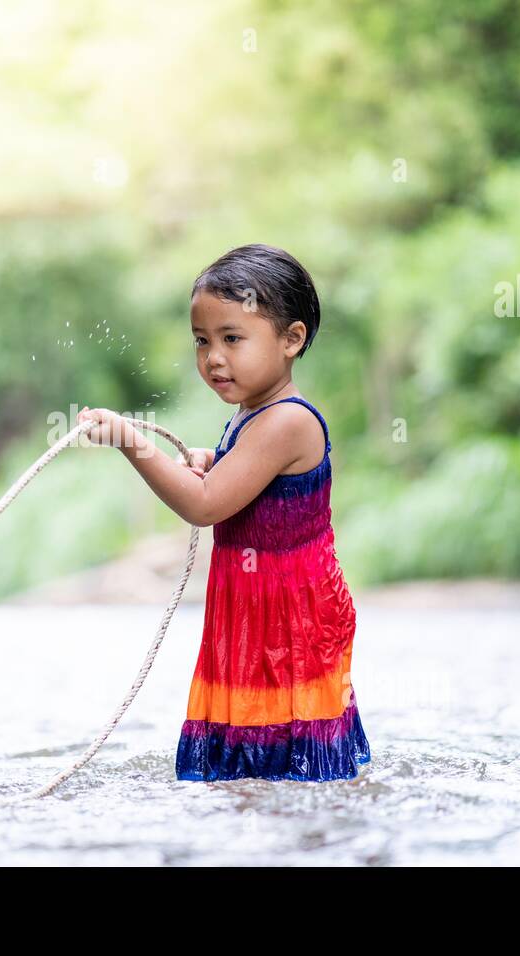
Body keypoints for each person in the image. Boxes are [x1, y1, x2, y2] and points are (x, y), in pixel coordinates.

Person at [77, 243, 371, 781]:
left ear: (291, 339)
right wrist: (214, 459)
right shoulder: (251, 414)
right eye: (202, 341)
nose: (214, 358)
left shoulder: (287, 421)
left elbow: (205, 504)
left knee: (285, 756)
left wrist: (129, 439)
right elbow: (246, 478)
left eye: (232, 339)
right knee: (249, 766)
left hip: (288, 617)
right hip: (252, 605)